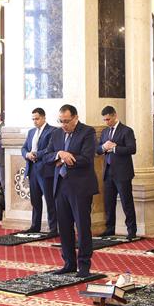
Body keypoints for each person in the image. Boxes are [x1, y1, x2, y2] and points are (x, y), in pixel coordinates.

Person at [46, 104, 98, 277]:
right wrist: (59, 154)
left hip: (80, 186)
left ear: (75, 118)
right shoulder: (56, 133)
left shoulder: (87, 132)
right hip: (61, 185)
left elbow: (87, 158)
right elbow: (47, 155)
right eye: (61, 121)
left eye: (67, 121)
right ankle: (69, 262)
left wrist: (68, 157)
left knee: (82, 227)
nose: (64, 125)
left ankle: (84, 266)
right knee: (64, 226)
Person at [97, 105, 138, 238]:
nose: (106, 122)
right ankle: (110, 228)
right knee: (109, 202)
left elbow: (132, 149)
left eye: (108, 119)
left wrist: (115, 148)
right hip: (108, 171)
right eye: (104, 120)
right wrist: (104, 147)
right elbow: (97, 150)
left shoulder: (126, 131)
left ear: (115, 116)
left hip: (123, 172)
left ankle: (131, 230)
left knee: (127, 202)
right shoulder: (104, 132)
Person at [21, 108, 57, 234]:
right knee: (35, 200)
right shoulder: (31, 132)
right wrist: (27, 154)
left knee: (50, 199)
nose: (35, 121)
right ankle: (35, 226)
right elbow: (24, 148)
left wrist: (36, 154)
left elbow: (50, 149)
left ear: (43, 118)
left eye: (37, 119)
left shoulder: (52, 131)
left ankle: (54, 228)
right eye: (33, 119)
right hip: (32, 170)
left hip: (45, 169)